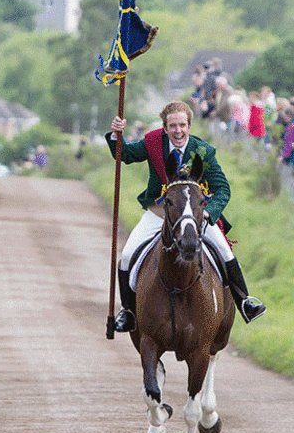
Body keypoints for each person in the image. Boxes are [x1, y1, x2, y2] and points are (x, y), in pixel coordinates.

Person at [105, 101, 266, 332]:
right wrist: (116, 135)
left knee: (225, 252)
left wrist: (208, 213)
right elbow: (126, 155)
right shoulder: (152, 142)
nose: (178, 131)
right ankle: (128, 312)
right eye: (172, 126)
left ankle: (245, 302)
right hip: (159, 212)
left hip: (193, 215)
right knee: (128, 255)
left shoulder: (203, 151)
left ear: (189, 126)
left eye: (182, 125)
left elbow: (223, 189)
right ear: (165, 127)